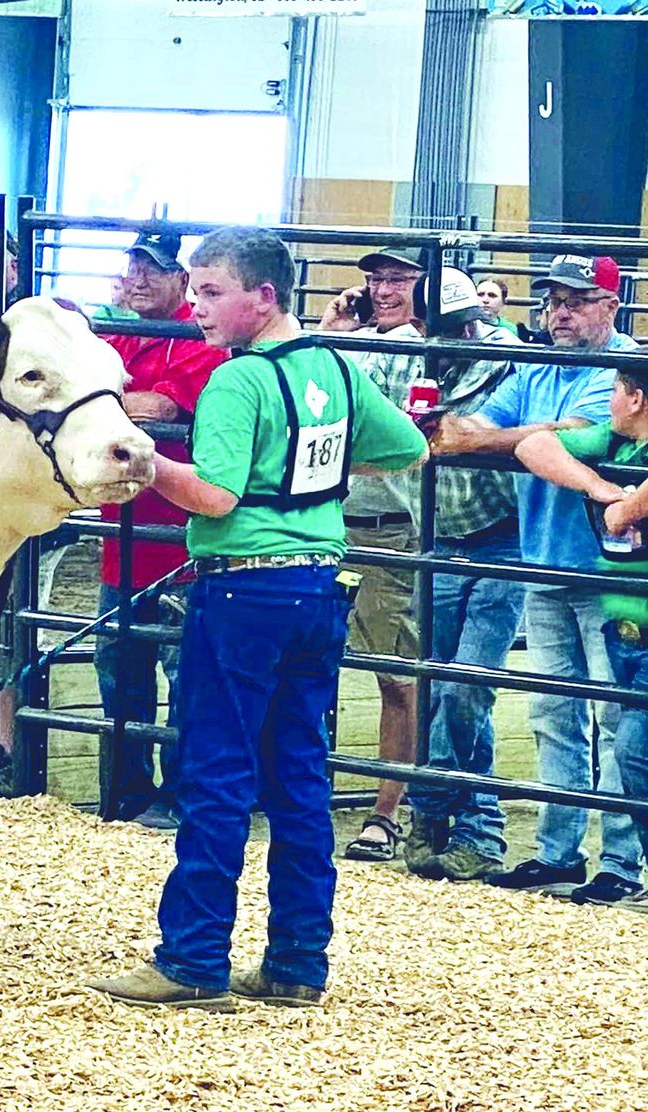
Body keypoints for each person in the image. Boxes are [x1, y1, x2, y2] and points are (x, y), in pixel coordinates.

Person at [89, 225, 428, 1011]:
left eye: (212, 293)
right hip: (317, 585)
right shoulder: (334, 367)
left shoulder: (239, 382)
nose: (199, 309)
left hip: (241, 588)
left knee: (217, 769)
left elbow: (214, 494)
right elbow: (408, 444)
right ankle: (298, 960)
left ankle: (194, 956)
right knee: (300, 776)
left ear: (263, 295)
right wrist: (312, 476)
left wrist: (141, 459)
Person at [431, 254, 644, 904]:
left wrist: (479, 439)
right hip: (549, 559)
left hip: (612, 573)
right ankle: (559, 850)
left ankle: (619, 859)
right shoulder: (538, 363)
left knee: (615, 718)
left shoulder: (624, 368)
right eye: (554, 299)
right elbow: (516, 436)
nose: (561, 311)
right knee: (555, 710)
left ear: (610, 304)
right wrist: (493, 437)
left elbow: (558, 432)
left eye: (577, 299)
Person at [94, 231, 227, 829]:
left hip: (176, 537)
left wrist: (104, 402)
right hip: (123, 534)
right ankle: (126, 787)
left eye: (154, 269)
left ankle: (179, 791)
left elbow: (163, 409)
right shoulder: (121, 335)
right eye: (133, 267)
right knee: (118, 664)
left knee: (182, 671)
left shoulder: (196, 342)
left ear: (181, 280)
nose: (140, 279)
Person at [403, 269, 526, 882]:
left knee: (464, 686)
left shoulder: (504, 357)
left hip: (502, 538)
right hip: (440, 538)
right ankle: (457, 824)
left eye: (469, 322)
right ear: (429, 326)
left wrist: (461, 433)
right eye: (450, 327)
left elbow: (485, 433)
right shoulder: (403, 354)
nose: (466, 334)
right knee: (440, 687)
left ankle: (454, 815)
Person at [514, 367, 648, 913]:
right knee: (614, 734)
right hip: (626, 616)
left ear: (635, 397)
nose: (609, 400)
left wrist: (628, 507)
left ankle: (621, 863)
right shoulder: (615, 440)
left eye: (616, 390)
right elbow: (534, 443)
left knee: (632, 742)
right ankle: (570, 852)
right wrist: (602, 487)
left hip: (626, 609)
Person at [319, 246, 426, 862]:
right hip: (335, 521)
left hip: (389, 526)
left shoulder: (415, 347)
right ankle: (312, 790)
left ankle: (389, 810)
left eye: (399, 280)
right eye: (376, 280)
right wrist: (334, 332)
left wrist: (335, 342)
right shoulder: (352, 342)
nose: (385, 290)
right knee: (312, 664)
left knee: (395, 672)